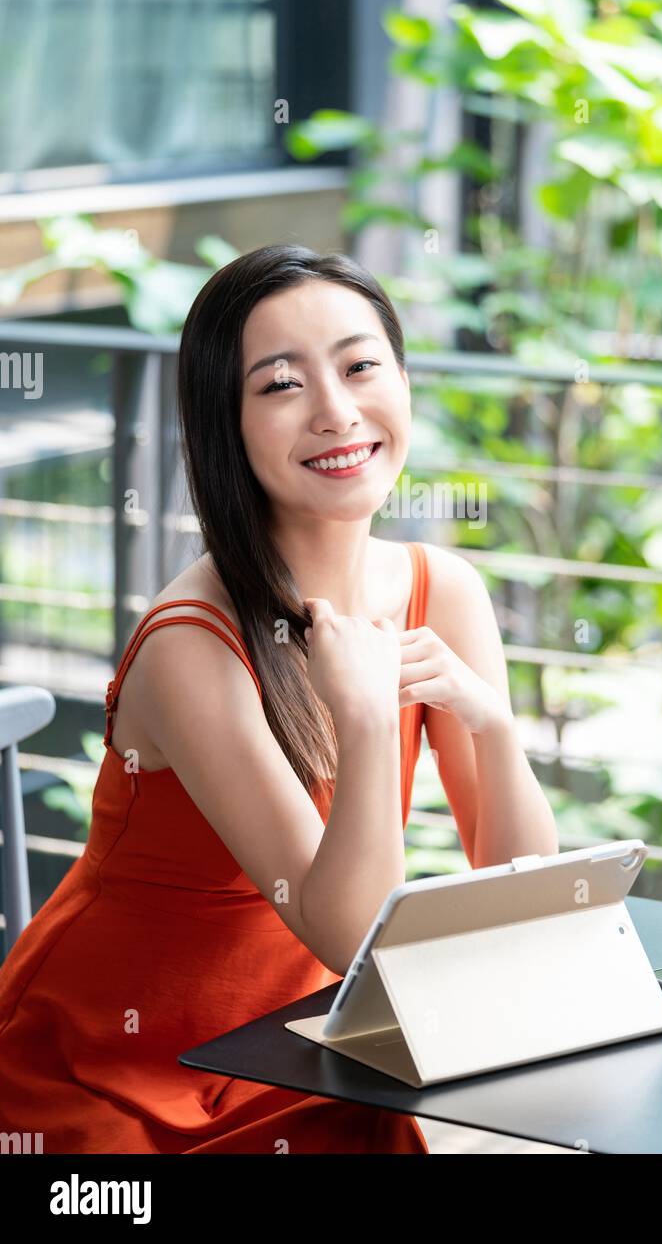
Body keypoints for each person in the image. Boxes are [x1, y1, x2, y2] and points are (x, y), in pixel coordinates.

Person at [0, 244, 558, 1153]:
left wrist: (489, 725)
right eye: (280, 385)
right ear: (228, 424)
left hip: (302, 1040)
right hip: (119, 1067)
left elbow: (522, 893)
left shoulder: (441, 589)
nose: (336, 412)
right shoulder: (192, 642)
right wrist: (371, 718)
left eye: (360, 365)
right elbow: (347, 934)